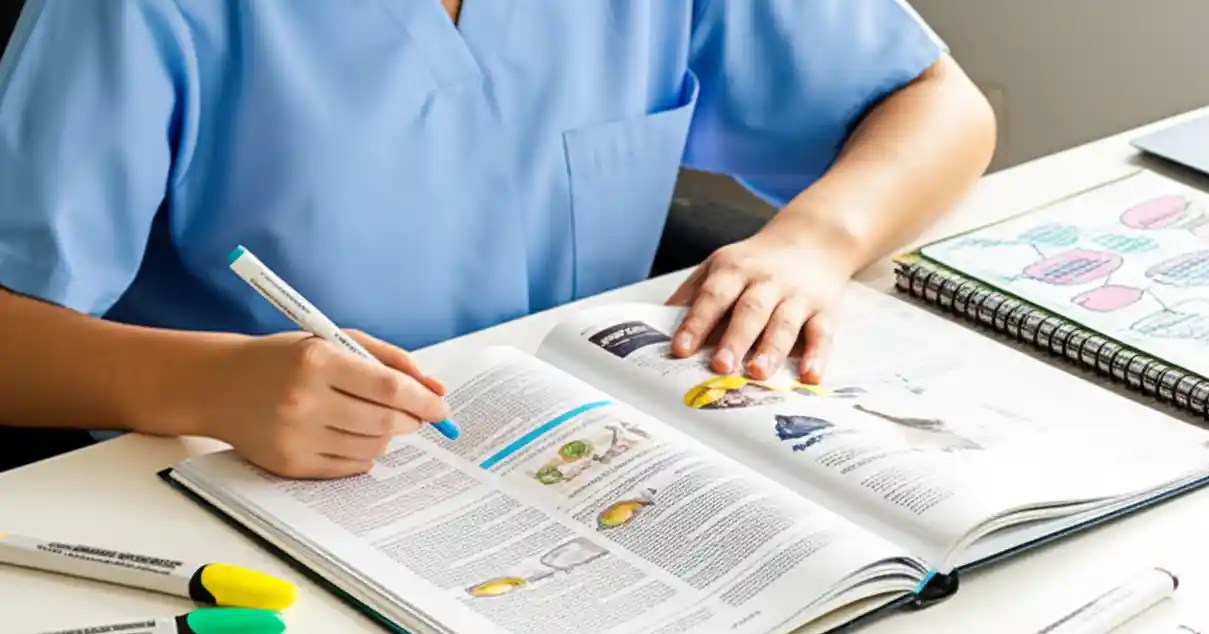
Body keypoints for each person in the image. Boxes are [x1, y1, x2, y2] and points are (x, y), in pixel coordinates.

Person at [0, 1, 996, 478]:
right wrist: (207, 386)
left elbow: (935, 103)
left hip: (587, 447)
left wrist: (814, 240)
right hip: (240, 480)